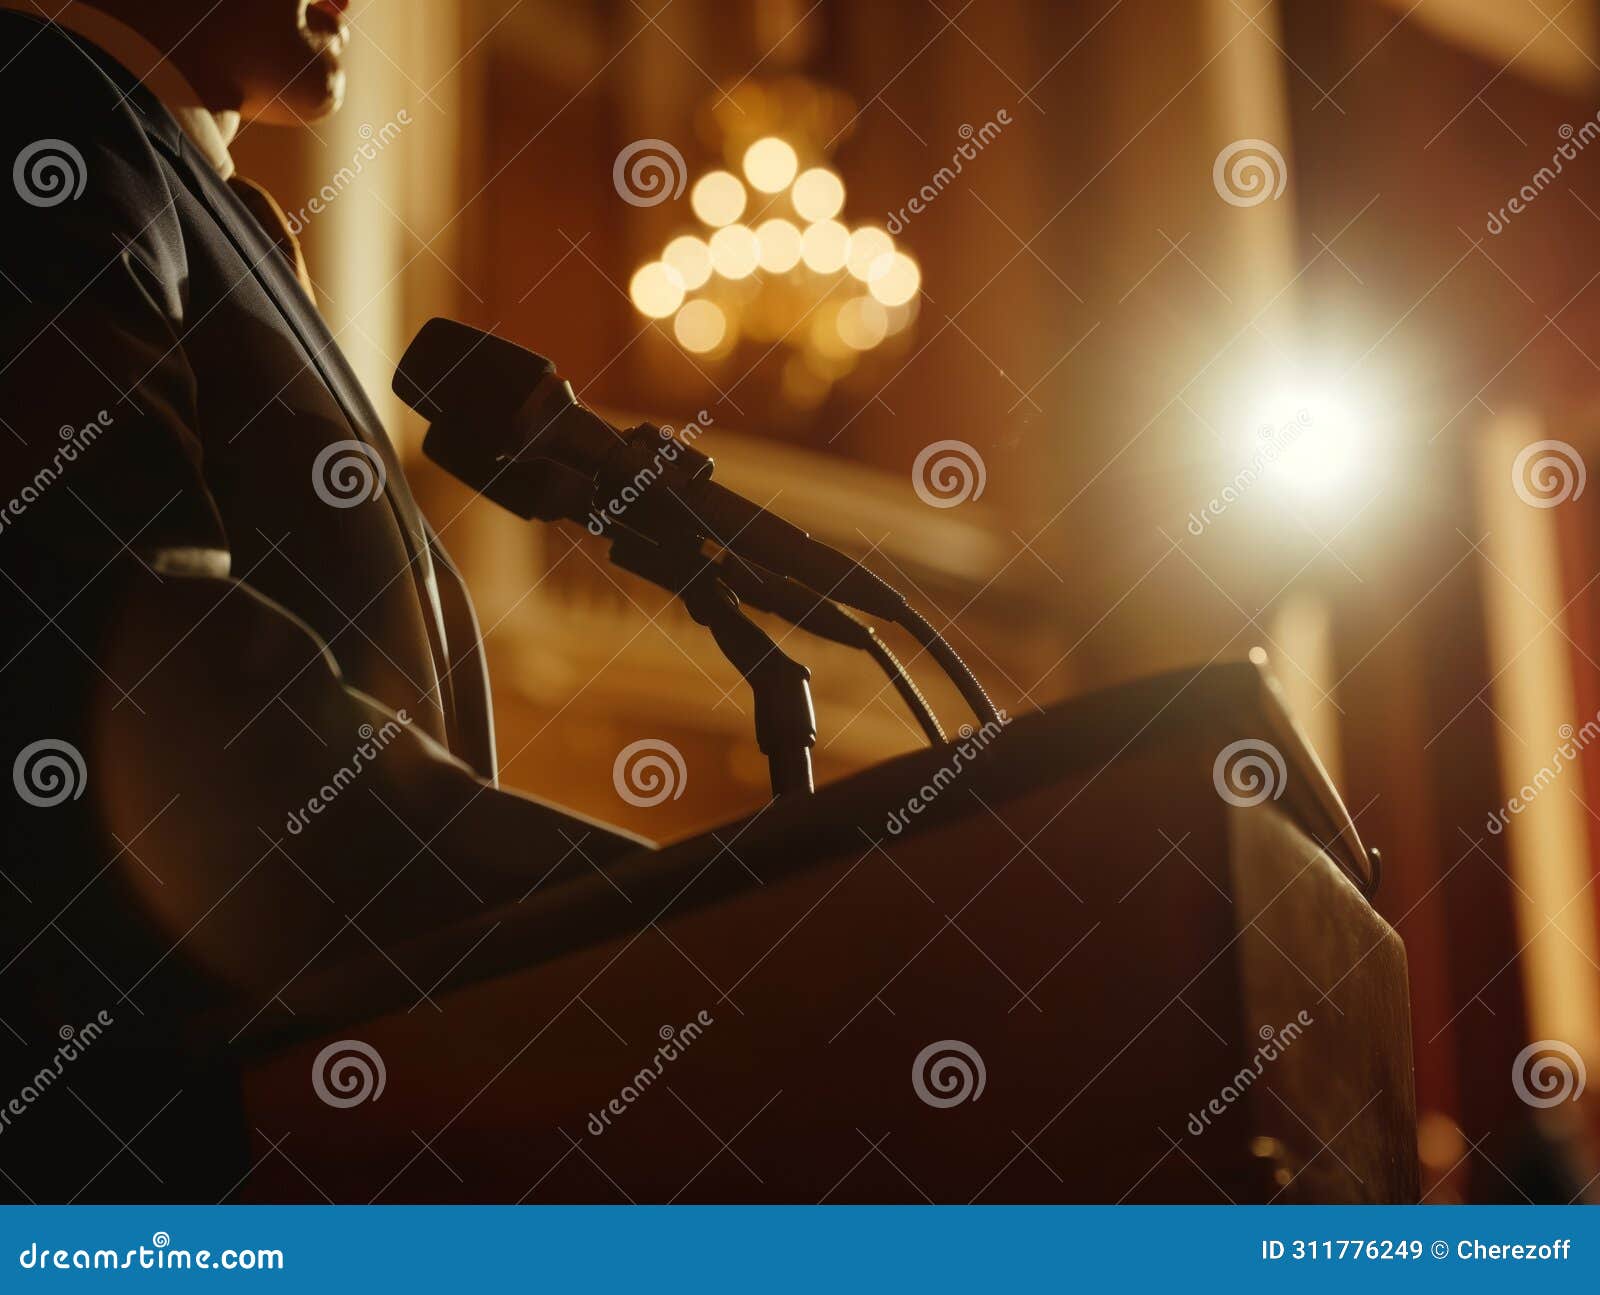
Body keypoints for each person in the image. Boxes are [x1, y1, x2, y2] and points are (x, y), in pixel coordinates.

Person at [0, 1, 643, 1201]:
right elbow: (154, 669)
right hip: (150, 1157)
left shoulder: (171, 171)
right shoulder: (43, 115)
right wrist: (643, 920)